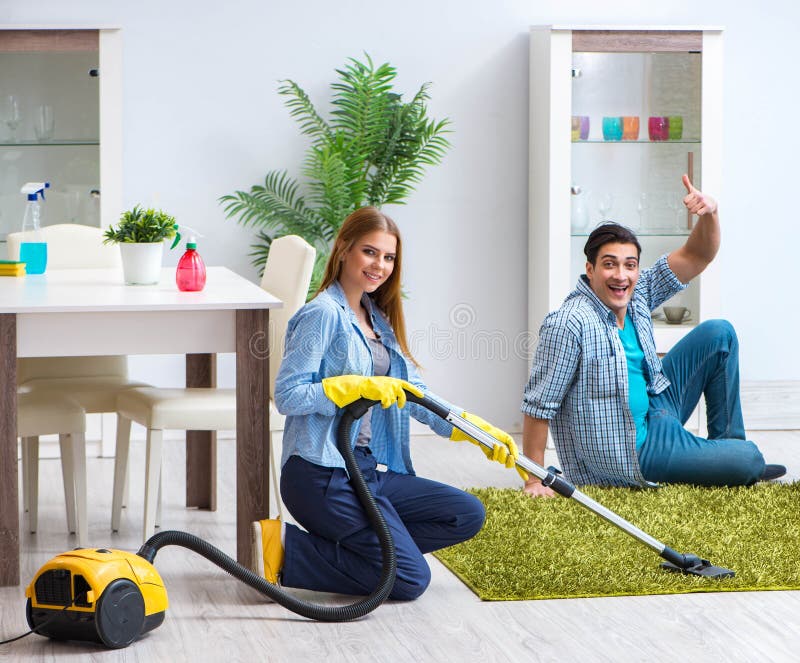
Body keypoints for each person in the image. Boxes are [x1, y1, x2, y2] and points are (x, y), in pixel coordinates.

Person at [251, 206, 521, 599]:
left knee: (465, 514)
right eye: (370, 252)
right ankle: (286, 550)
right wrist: (348, 388)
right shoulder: (322, 315)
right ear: (344, 249)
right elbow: (288, 395)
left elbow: (414, 394)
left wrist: (475, 430)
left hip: (364, 470)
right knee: (410, 580)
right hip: (321, 475)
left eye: (389, 257)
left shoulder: (377, 318)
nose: (380, 265)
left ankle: (374, 551)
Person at [521, 175, 785, 497]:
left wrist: (710, 213)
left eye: (629, 265)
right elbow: (538, 405)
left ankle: (726, 453)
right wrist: (534, 479)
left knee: (720, 334)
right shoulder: (569, 323)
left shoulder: (638, 292)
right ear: (590, 270)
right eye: (609, 265)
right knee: (751, 459)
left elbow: (697, 255)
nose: (621, 275)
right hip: (635, 451)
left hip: (658, 406)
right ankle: (735, 461)